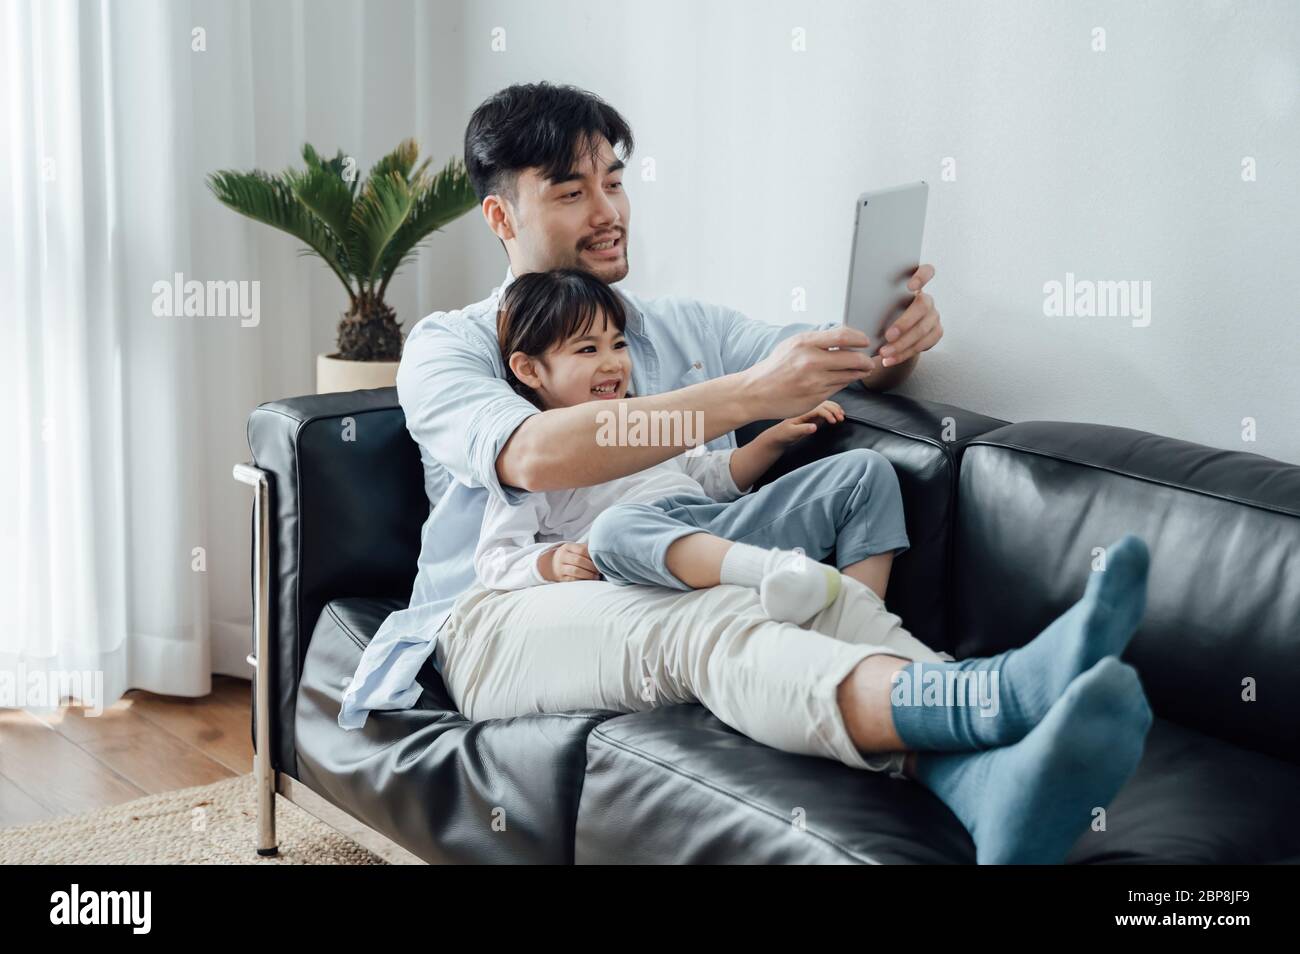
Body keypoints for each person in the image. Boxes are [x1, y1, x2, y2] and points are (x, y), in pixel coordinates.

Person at [338, 82, 1153, 864]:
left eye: (614, 182)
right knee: (708, 617)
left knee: (773, 607)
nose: (608, 212)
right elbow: (535, 453)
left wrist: (894, 341)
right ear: (500, 215)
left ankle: (986, 774)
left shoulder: (677, 327)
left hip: (649, 581)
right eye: (570, 191)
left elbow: (841, 360)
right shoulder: (453, 345)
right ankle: (989, 698)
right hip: (497, 619)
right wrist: (749, 395)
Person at [476, 267, 910, 629]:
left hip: (715, 531)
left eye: (619, 344)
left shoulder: (644, 419)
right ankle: (773, 575)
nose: (612, 362)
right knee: (612, 531)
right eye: (587, 349)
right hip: (643, 559)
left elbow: (706, 475)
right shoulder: (538, 456)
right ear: (529, 369)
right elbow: (494, 557)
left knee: (864, 471)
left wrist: (770, 440)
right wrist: (549, 563)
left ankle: (858, 626)